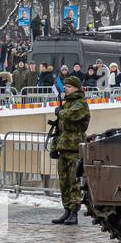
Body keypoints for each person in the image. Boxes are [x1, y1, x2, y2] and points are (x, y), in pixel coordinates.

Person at [49, 75, 91, 225]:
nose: (65, 89)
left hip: (74, 149)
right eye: (65, 86)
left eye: (68, 86)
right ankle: (66, 209)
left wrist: (60, 111)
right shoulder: (66, 104)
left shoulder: (81, 104)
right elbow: (59, 129)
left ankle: (74, 212)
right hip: (64, 148)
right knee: (64, 182)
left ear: (76, 88)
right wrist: (54, 147)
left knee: (74, 182)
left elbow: (71, 116)